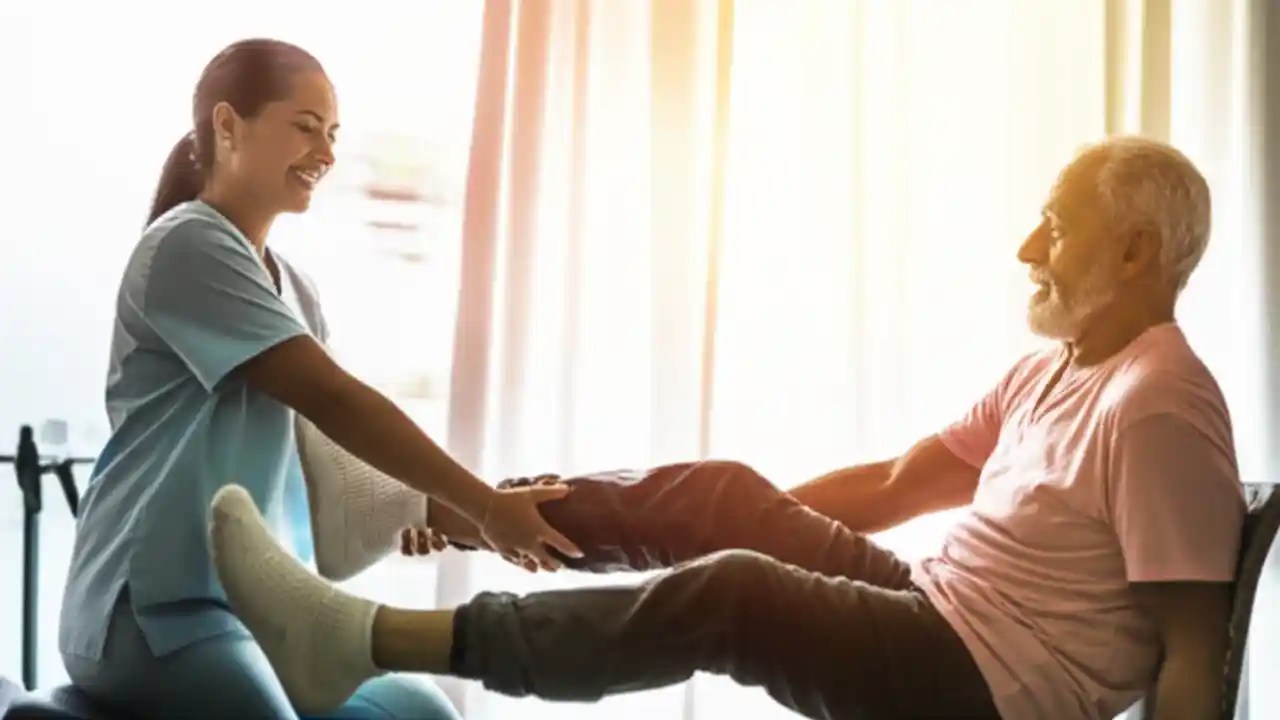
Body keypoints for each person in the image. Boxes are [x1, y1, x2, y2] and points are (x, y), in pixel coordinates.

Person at [209, 135, 1247, 720]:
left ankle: (360, 642)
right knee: (729, 499)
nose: (1028, 245)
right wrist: (739, 524)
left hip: (977, 688)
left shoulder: (1157, 404)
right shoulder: (1053, 367)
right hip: (936, 610)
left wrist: (758, 570)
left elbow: (1191, 653)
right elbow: (893, 485)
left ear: (1132, 255)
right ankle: (463, 512)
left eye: (1057, 228)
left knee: (735, 596)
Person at [56, 37, 581, 720]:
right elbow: (332, 399)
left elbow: (333, 471)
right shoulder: (187, 245)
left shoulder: (293, 288)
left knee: (424, 710)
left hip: (264, 612)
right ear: (226, 125)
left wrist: (468, 518)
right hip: (149, 612)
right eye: (305, 128)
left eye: (332, 135)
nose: (326, 154)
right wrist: (484, 504)